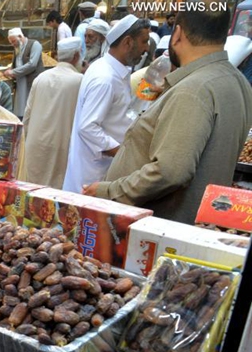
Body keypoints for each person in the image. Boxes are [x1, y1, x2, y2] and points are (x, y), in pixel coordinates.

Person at [84, 9, 252, 224]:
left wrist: (109, 191)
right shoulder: (236, 81)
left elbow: (170, 172)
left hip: (161, 227)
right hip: (190, 225)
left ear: (178, 33)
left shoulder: (193, 89)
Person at [62, 15, 151, 192]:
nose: (147, 48)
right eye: (144, 41)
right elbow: (87, 127)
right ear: (127, 42)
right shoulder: (105, 78)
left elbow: (117, 115)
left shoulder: (111, 70)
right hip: (95, 172)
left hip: (102, 167)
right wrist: (122, 153)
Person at [20, 37, 84, 188]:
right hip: (61, 146)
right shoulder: (79, 80)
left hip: (35, 145)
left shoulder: (41, 78)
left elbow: (27, 115)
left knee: (32, 190)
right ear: (76, 56)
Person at [4, 28, 44, 118]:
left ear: (20, 36)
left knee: (31, 105)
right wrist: (10, 69)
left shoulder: (34, 44)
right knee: (20, 106)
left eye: (13, 41)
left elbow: (32, 64)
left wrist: (13, 71)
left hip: (31, 80)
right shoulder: (17, 47)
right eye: (11, 42)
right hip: (20, 81)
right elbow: (17, 63)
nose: (13, 44)